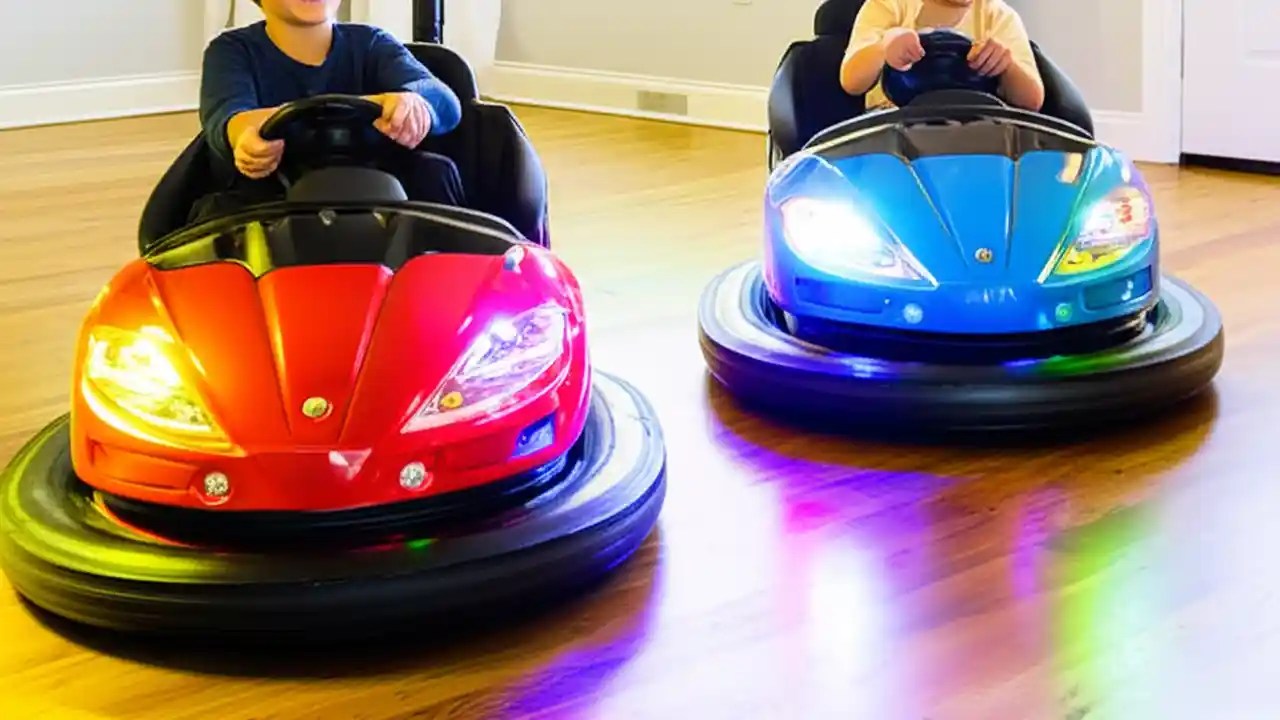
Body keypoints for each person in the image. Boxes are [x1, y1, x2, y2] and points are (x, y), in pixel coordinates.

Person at [192, 0, 466, 223]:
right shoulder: (231, 51)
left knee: (435, 172)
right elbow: (228, 115)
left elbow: (442, 99)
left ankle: (452, 271)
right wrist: (244, 136)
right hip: (272, 199)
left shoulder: (372, 43)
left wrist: (413, 103)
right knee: (219, 207)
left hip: (380, 194)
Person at [838, 0, 1045, 112]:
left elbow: (1032, 101)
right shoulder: (888, 5)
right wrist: (884, 47)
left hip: (978, 129)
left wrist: (1007, 67)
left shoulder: (1000, 17)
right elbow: (851, 81)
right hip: (891, 129)